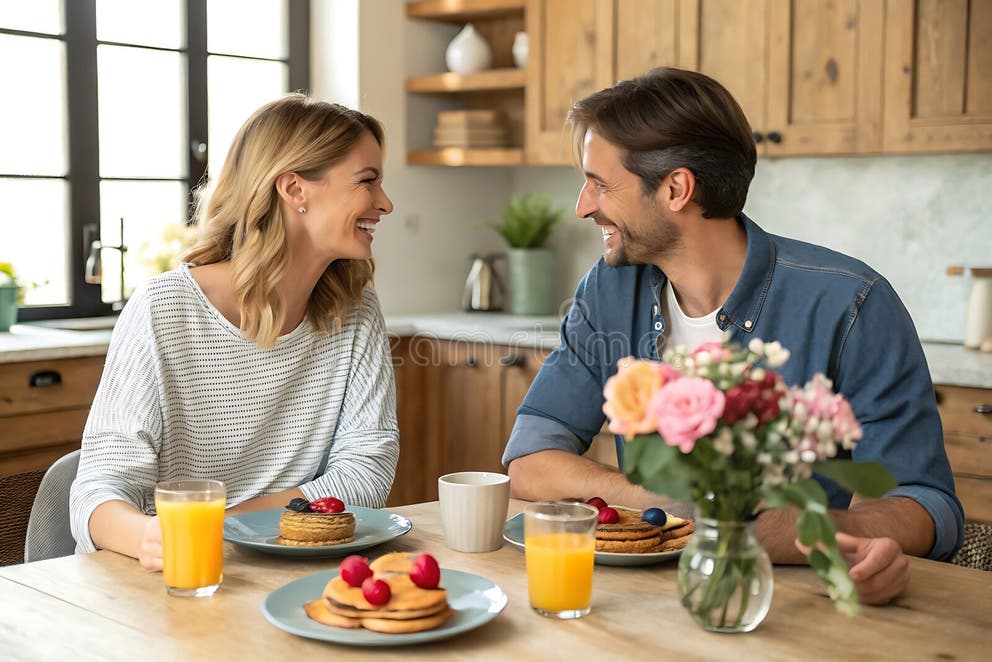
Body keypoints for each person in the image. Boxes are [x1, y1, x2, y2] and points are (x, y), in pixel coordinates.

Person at [502, 68, 963, 605]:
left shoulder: (850, 304)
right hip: (641, 602)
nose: (583, 205)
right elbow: (530, 462)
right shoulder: (610, 290)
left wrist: (833, 535)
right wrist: (663, 500)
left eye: (601, 184)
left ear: (676, 188)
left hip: (798, 609)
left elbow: (927, 503)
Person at [69, 94, 399, 571]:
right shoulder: (164, 309)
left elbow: (366, 471)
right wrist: (152, 535)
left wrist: (218, 529)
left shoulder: (355, 308)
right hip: (165, 579)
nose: (385, 204)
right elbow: (98, 491)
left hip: (284, 570)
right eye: (368, 181)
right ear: (295, 190)